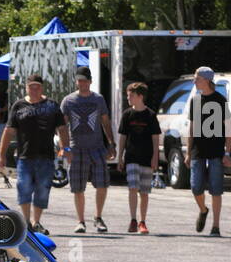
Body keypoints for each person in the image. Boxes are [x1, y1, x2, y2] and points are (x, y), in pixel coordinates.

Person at [0, 73, 67, 234]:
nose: (34, 89)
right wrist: (1, 154)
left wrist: (66, 147)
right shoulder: (19, 106)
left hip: (46, 156)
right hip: (24, 156)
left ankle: (36, 222)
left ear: (41, 87)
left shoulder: (52, 105)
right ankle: (26, 221)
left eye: (37, 86)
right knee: (24, 187)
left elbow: (62, 129)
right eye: (31, 87)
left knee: (43, 189)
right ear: (26, 87)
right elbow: (9, 132)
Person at [60, 67, 115, 233]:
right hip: (76, 149)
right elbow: (62, 127)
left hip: (97, 148)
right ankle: (80, 220)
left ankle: (98, 218)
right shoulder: (68, 101)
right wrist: (65, 148)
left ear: (90, 81)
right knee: (77, 187)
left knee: (102, 184)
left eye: (84, 80)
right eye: (79, 80)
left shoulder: (98, 99)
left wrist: (111, 144)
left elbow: (105, 122)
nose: (81, 83)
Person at [184, 66, 231, 236]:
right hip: (198, 150)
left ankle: (216, 226)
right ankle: (203, 210)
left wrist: (227, 153)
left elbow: (228, 129)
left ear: (206, 80)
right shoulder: (195, 101)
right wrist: (188, 152)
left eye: (197, 78)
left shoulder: (220, 100)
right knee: (196, 187)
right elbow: (192, 129)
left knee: (216, 189)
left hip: (216, 151)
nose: (194, 81)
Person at [117, 82, 161, 234]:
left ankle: (143, 221)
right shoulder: (127, 114)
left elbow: (156, 137)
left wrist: (155, 157)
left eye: (131, 95)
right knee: (132, 188)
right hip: (131, 157)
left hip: (147, 158)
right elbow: (122, 137)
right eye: (127, 95)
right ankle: (133, 220)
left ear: (140, 96)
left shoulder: (150, 115)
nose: (128, 97)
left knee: (144, 192)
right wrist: (119, 156)